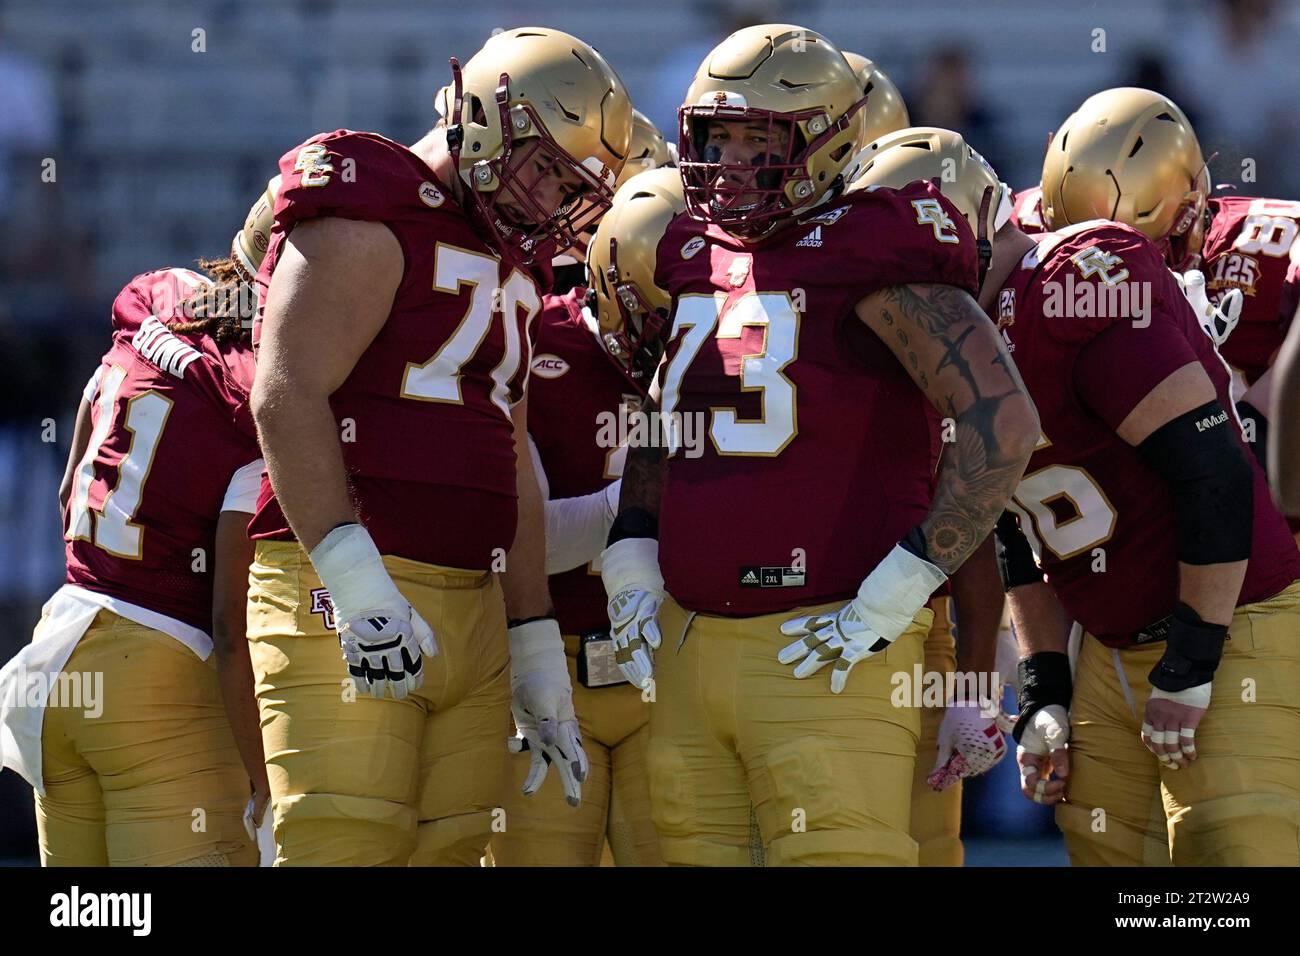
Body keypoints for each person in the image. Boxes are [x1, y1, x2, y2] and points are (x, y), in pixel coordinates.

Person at [599, 25, 1039, 867]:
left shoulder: (874, 243)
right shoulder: (696, 249)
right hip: (691, 645)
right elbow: (668, 407)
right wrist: (632, 546)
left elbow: (1001, 426)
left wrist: (901, 585)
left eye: (757, 139)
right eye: (714, 137)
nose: (726, 162)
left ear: (830, 140)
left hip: (828, 646)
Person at [858, 126, 1300, 866]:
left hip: (1231, 626)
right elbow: (1014, 525)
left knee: (1233, 858)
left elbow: (1211, 471)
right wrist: (1045, 689)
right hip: (1107, 648)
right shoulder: (950, 342)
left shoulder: (1077, 279)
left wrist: (1191, 663)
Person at [246, 27, 632, 865]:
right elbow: (285, 392)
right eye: (544, 167)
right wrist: (354, 582)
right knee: (345, 842)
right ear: (491, 117)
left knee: (453, 851)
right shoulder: (372, 198)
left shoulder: (518, 266)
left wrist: (534, 644)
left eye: (569, 185)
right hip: (347, 586)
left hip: (476, 603)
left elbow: (514, 462)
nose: (548, 199)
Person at [0, 182, 278, 867]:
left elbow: (72, 490)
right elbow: (230, 628)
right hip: (160, 693)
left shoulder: (151, 318)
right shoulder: (256, 398)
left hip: (60, 650)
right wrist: (271, 790)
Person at [489, 136, 677, 868]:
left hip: (670, 671)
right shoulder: (536, 339)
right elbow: (517, 538)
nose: (666, 334)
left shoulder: (737, 351)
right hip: (550, 662)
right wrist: (646, 501)